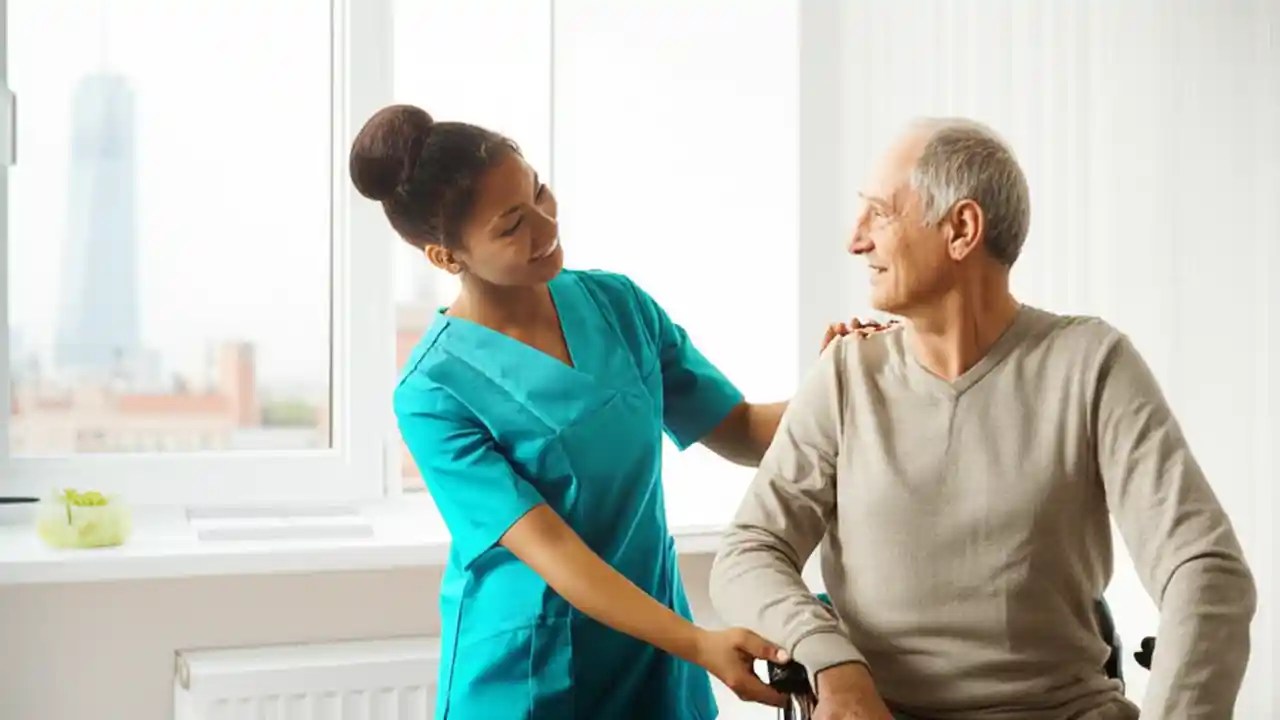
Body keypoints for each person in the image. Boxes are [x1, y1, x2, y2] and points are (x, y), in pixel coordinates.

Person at [709, 118, 1256, 720]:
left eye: (880, 214)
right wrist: (832, 660)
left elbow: (1205, 570)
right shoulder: (846, 376)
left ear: (961, 229)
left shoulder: (1092, 364)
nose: (855, 240)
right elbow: (750, 550)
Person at [349, 103, 834, 719]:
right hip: (531, 672)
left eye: (541, 192)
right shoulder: (433, 393)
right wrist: (700, 643)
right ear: (449, 257)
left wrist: (845, 381)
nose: (546, 224)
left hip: (654, 652)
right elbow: (555, 554)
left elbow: (741, 431)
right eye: (512, 225)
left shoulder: (619, 305)